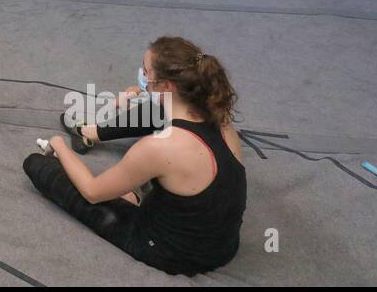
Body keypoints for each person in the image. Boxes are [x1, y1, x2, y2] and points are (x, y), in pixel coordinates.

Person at [24, 37, 247, 276]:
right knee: (158, 111)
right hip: (224, 247)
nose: (141, 75)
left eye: (146, 71)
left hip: (170, 253)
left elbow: (92, 191)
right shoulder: (221, 119)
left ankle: (120, 183)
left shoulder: (158, 147)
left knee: (36, 165)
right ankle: (93, 132)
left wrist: (60, 147)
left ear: (167, 85)